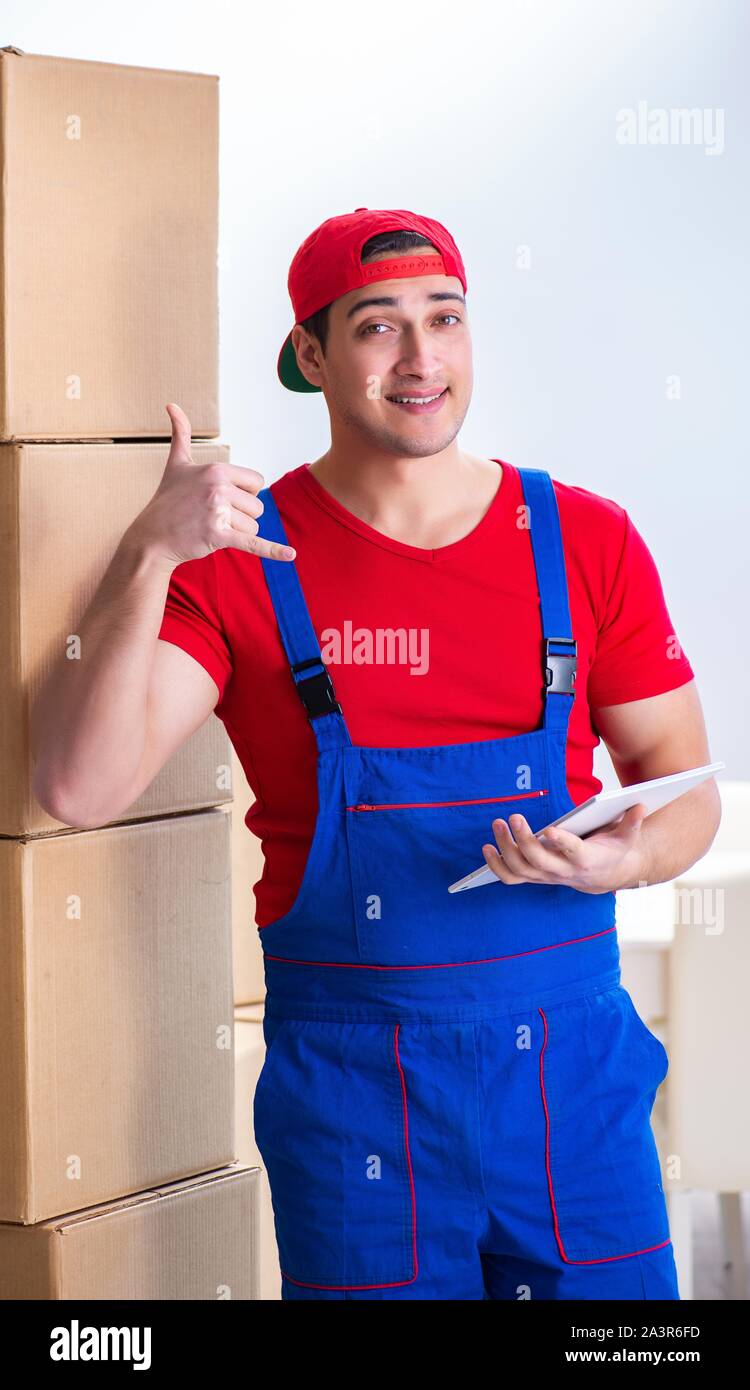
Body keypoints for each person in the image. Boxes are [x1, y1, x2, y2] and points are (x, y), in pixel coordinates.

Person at [31, 207, 721, 1301]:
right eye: (376, 327)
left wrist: (622, 861)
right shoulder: (238, 563)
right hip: (360, 1110)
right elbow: (76, 785)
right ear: (310, 355)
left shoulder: (585, 538)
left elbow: (687, 790)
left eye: (444, 320)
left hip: (575, 1099)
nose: (421, 359)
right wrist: (149, 551)